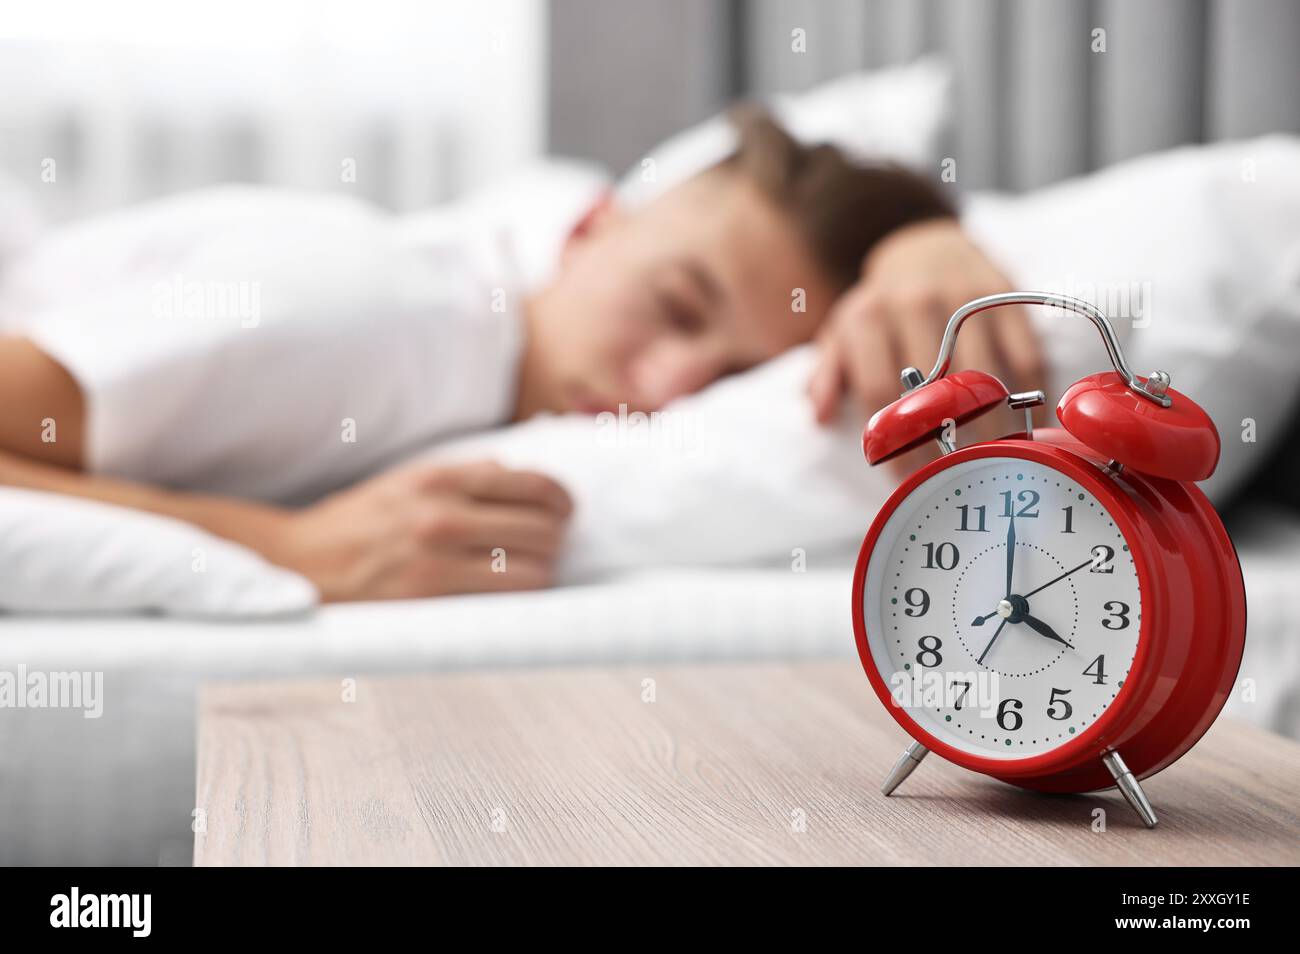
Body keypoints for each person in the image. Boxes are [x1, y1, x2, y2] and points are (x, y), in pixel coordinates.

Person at [0, 109, 1043, 601]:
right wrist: (286, 549)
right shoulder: (381, 317)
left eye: (732, 379)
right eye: (679, 307)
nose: (671, 388)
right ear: (590, 228)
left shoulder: (515, 276)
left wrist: (930, 247)